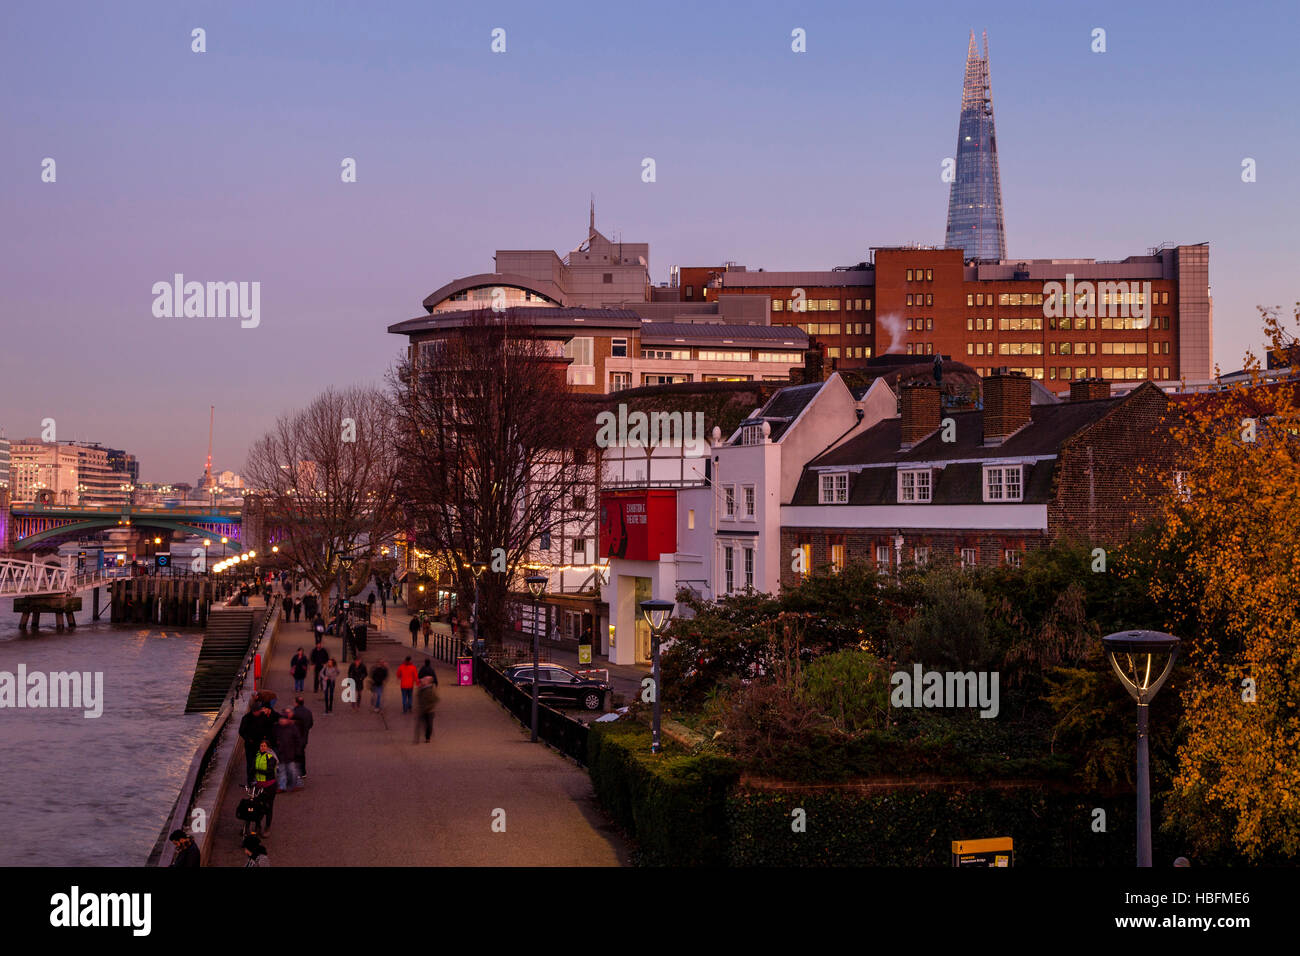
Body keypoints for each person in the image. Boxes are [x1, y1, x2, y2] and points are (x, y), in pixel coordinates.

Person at [238, 699, 276, 786]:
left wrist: (267, 739)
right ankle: (250, 780)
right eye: (259, 710)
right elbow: (241, 731)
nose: (260, 712)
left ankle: (260, 780)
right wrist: (248, 739)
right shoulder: (246, 718)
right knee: (251, 763)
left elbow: (269, 727)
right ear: (254, 711)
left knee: (261, 762)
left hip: (261, 744)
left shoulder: (264, 717)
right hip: (250, 745)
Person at [251, 739, 279, 834]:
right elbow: (252, 768)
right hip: (259, 785)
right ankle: (258, 826)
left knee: (268, 807)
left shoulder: (271, 757)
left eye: (264, 746)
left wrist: (257, 771)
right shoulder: (257, 756)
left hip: (269, 786)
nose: (262, 748)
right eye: (261, 746)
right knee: (257, 806)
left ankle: (267, 827)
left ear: (268, 747)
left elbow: (270, 771)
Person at [273, 710, 303, 791]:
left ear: (287, 720)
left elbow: (298, 741)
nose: (281, 721)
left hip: (291, 754)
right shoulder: (277, 728)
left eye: (283, 719)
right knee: (281, 772)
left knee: (292, 771)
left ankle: (295, 785)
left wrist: (297, 752)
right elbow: (274, 740)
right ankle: (282, 787)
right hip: (281, 754)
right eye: (281, 719)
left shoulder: (293, 728)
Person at [291, 696, 314, 777]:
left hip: (296, 737)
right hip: (304, 737)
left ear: (296, 703)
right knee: (302, 754)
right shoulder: (308, 712)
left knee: (296, 755)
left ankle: (298, 773)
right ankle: (303, 772)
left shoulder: (294, 712)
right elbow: (311, 724)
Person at [414, 675, 438, 743]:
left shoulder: (431, 690)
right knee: (421, 724)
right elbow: (418, 697)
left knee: (429, 725)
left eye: (425, 680)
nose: (423, 680)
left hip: (430, 711)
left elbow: (435, 699)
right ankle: (417, 738)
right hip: (422, 709)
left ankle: (428, 737)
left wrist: (429, 706)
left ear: (429, 682)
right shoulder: (421, 689)